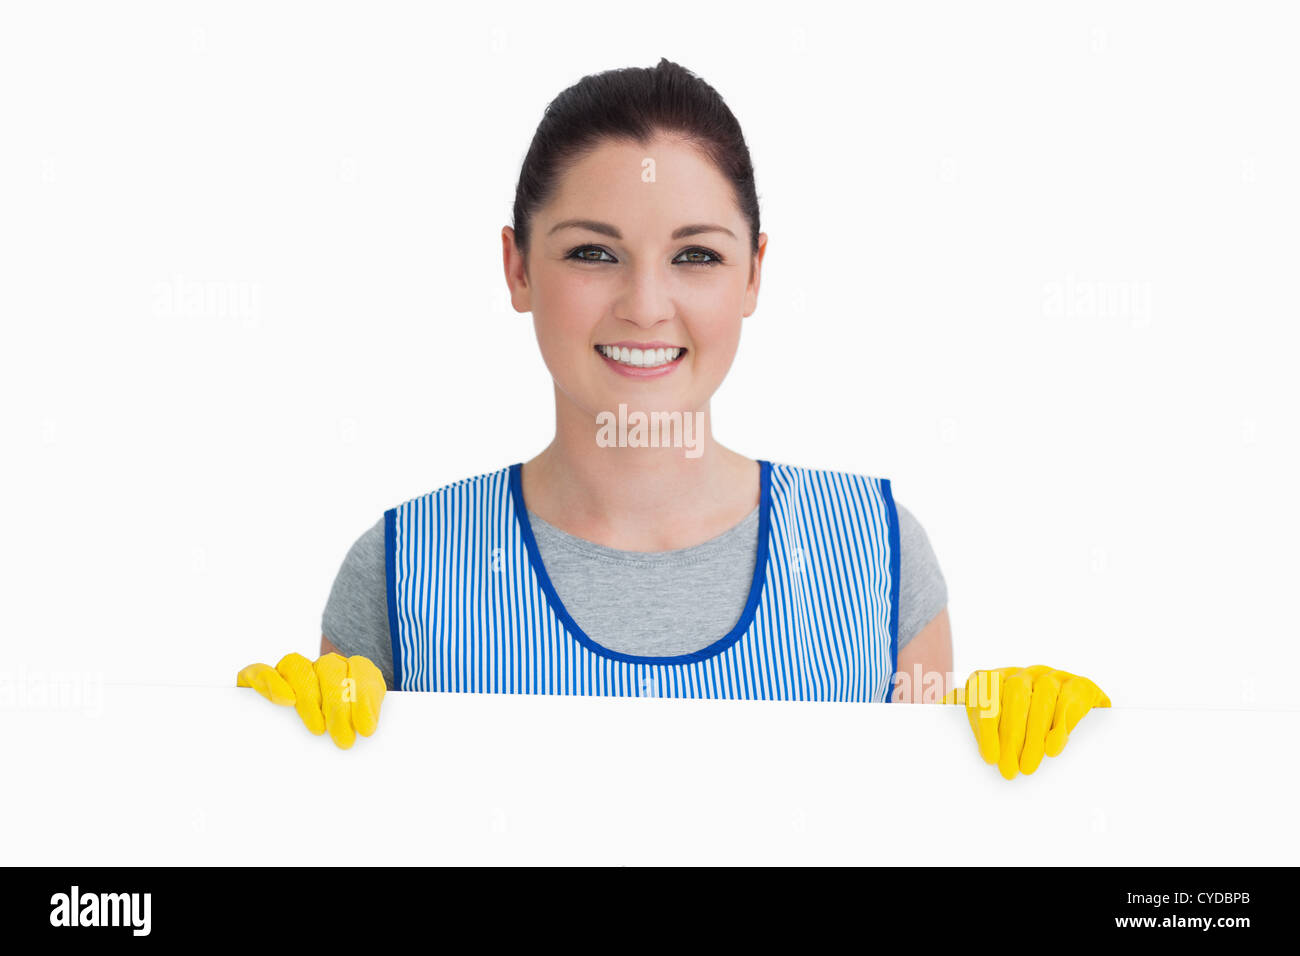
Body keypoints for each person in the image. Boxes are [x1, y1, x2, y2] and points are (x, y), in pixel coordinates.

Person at [237, 59, 1108, 780]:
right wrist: (266, 761)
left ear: (754, 273)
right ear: (517, 268)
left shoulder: (879, 558)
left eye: (696, 255)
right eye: (593, 252)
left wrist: (1053, 778)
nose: (647, 305)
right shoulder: (400, 572)